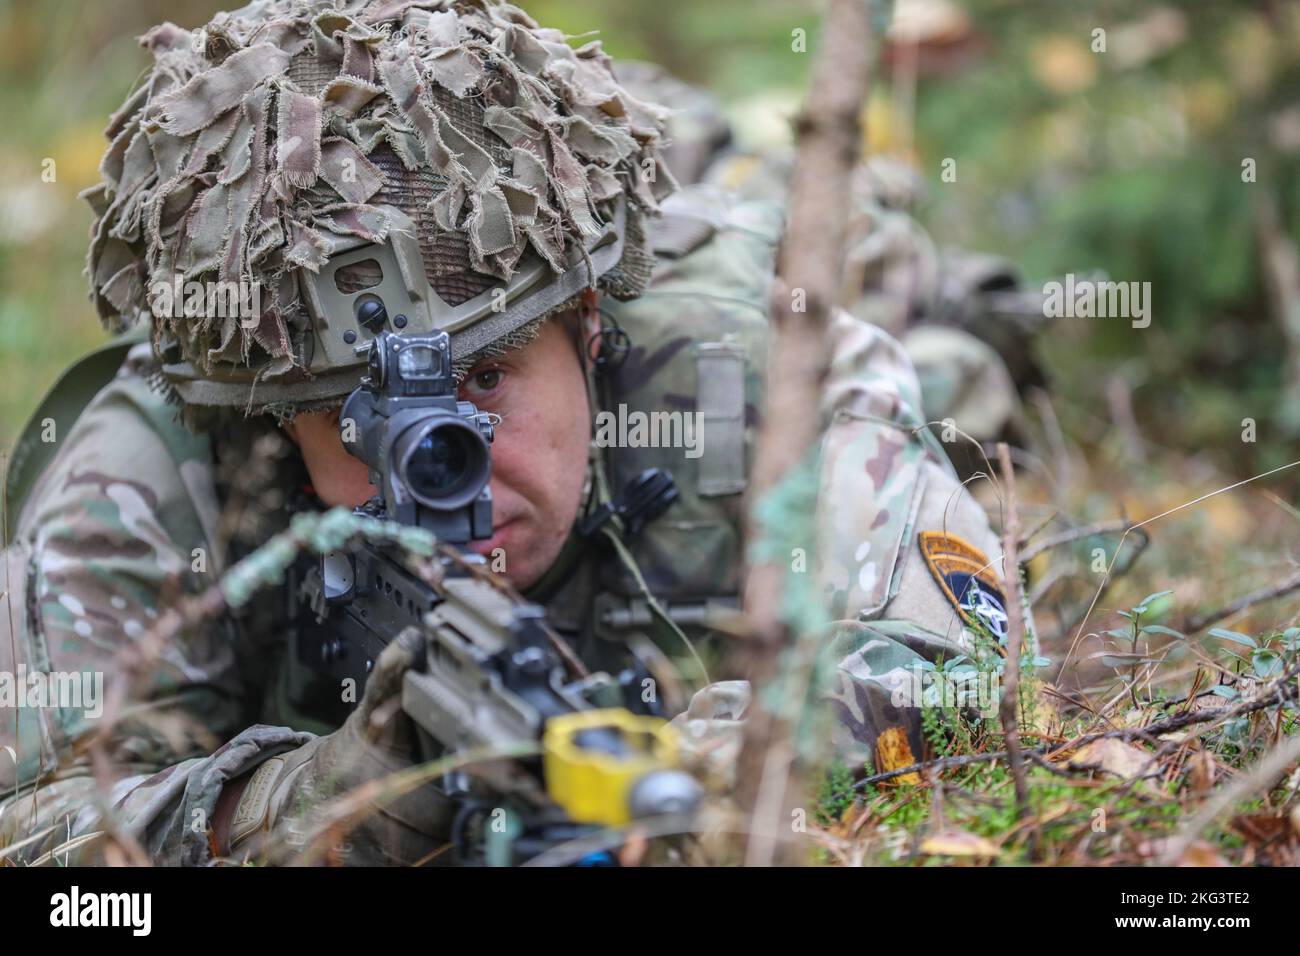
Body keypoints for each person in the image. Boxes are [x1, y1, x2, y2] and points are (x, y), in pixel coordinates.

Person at [0, 0, 1017, 866]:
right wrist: (313, 796)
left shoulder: (754, 361)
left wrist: (667, 768)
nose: (453, 473)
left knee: (942, 338)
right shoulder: (160, 459)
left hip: (727, 247)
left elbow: (960, 672)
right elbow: (31, 830)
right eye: (356, 427)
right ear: (271, 420)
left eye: (484, 379)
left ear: (586, 324)